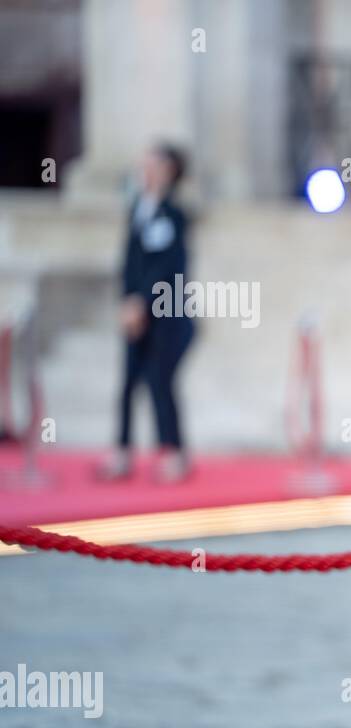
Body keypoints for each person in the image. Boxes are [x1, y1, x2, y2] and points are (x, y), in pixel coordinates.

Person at [95, 142, 197, 483]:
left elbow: (169, 266)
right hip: (135, 317)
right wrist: (127, 301)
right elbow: (131, 263)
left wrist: (144, 303)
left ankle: (174, 452)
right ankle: (122, 451)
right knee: (126, 383)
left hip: (167, 318)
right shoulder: (137, 208)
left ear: (168, 171)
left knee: (160, 381)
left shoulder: (174, 214)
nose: (146, 171)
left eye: (153, 165)